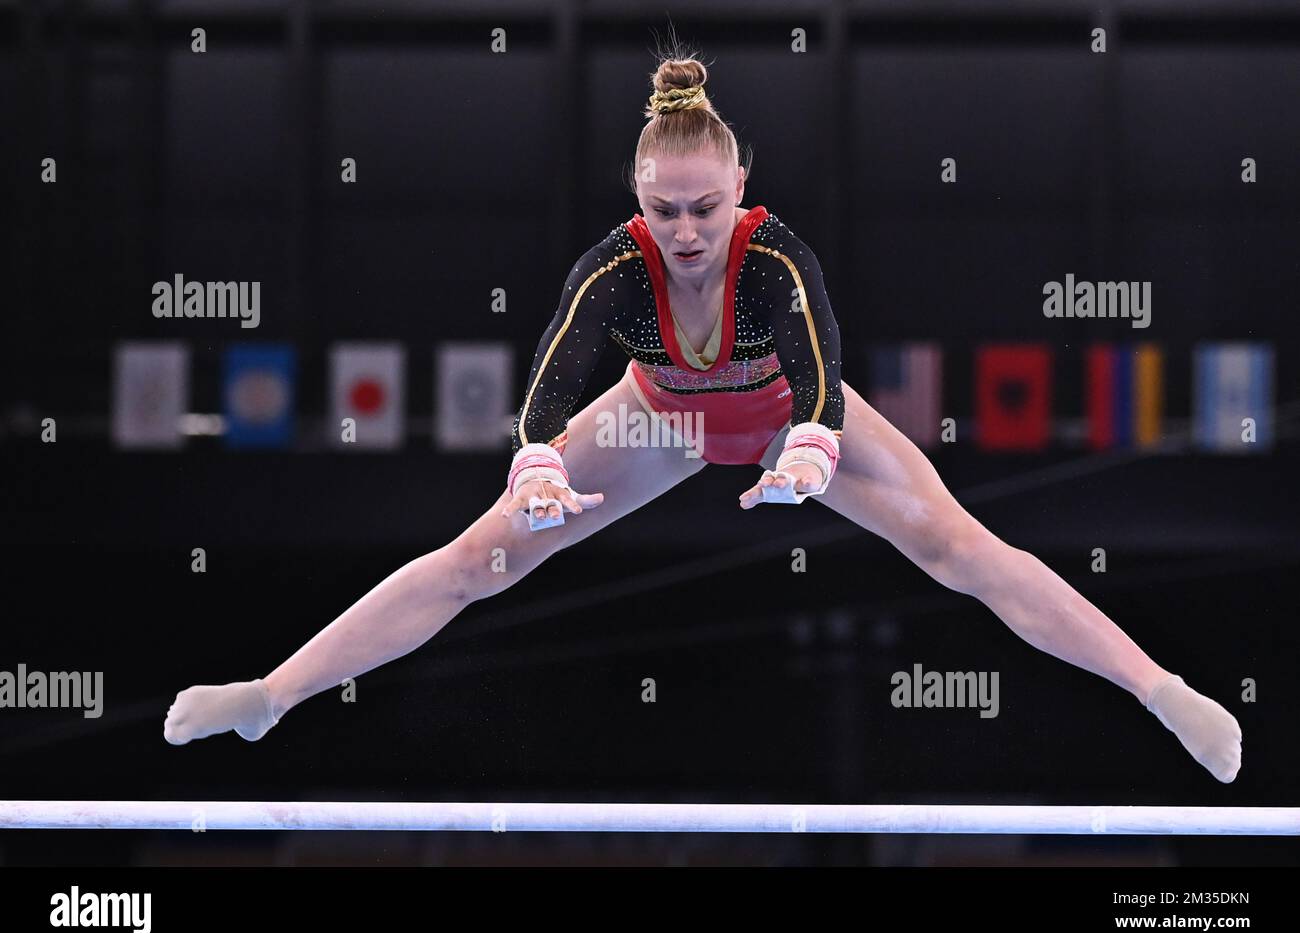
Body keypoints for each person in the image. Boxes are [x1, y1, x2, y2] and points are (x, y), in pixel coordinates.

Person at [164, 50, 1241, 784]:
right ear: (638, 197)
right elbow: (552, 372)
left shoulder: (773, 259)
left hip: (784, 415)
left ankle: (1159, 689)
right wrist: (534, 459)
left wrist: (814, 447)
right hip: (662, 421)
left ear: (741, 187)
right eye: (664, 209)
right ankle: (270, 692)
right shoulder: (616, 270)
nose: (685, 229)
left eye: (705, 207)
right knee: (477, 557)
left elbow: (819, 368)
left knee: (961, 546)